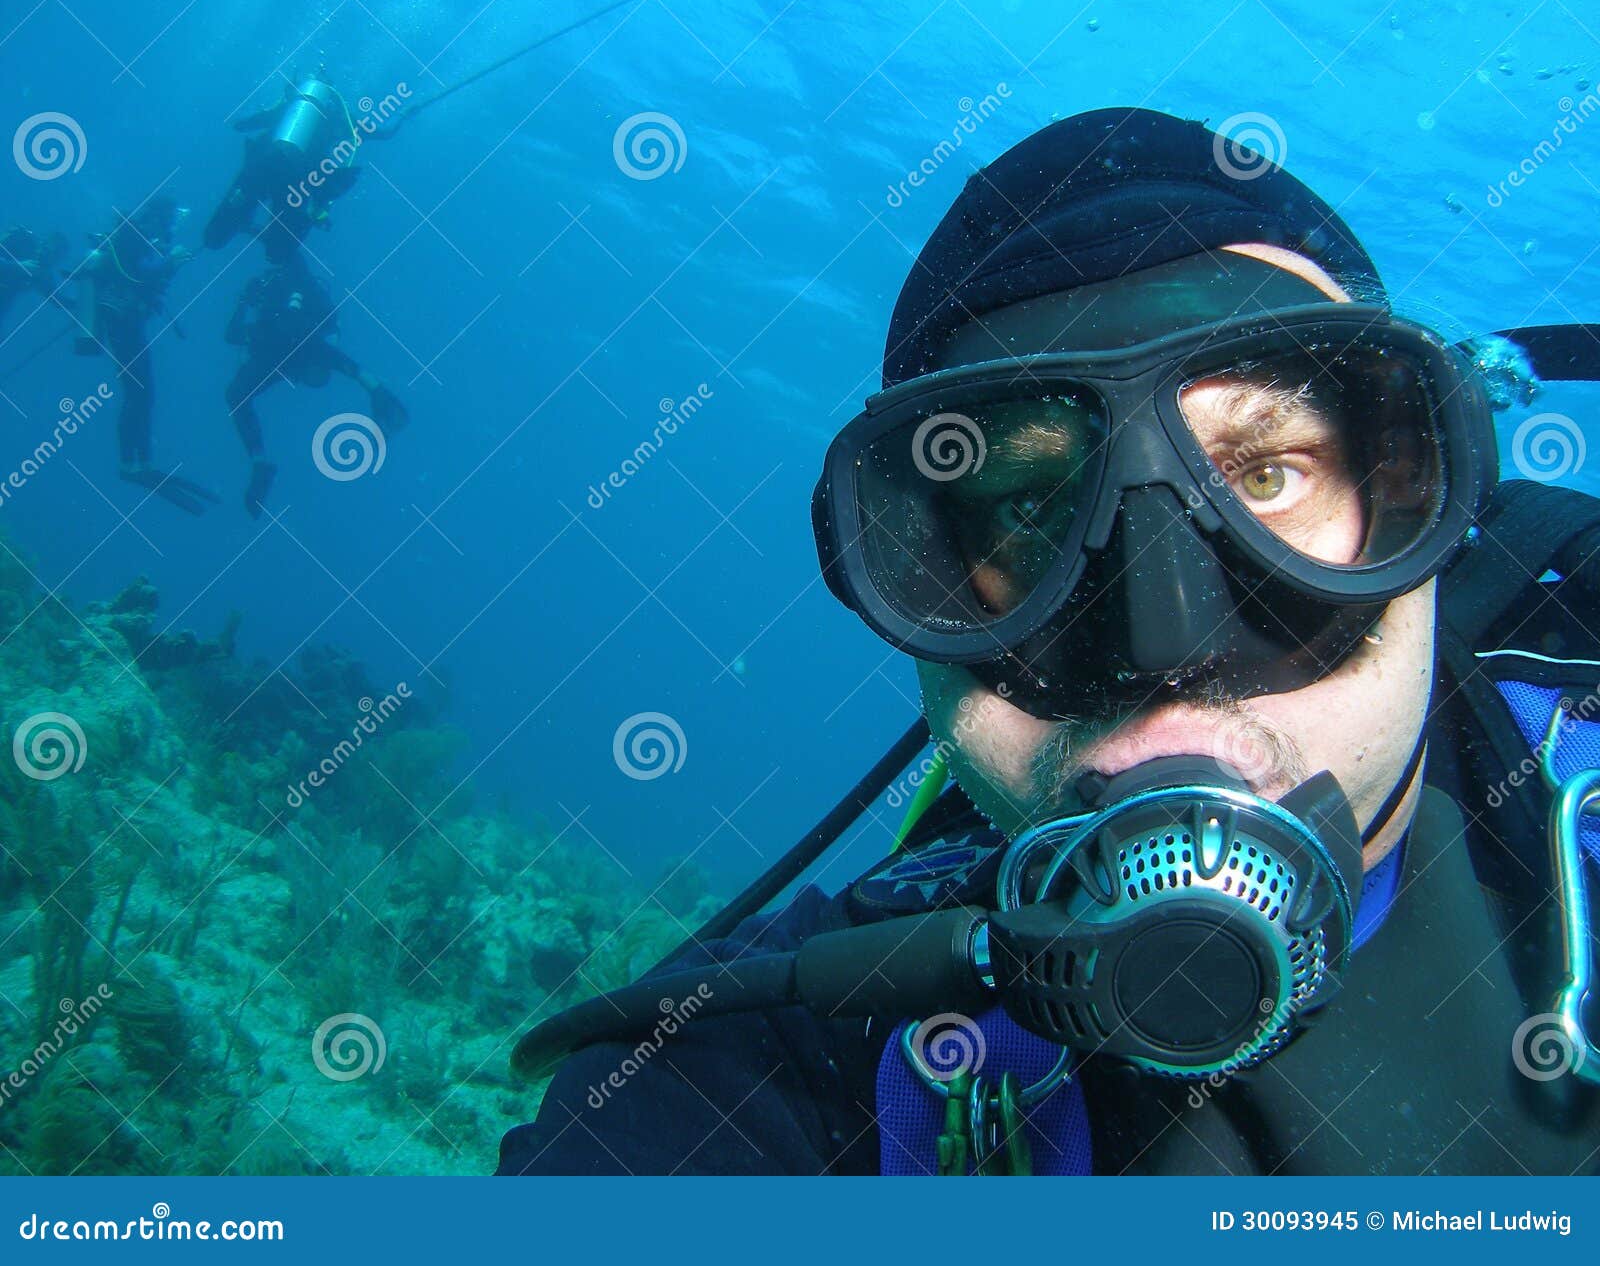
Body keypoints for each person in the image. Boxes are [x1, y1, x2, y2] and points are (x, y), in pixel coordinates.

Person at [497, 107, 1600, 1176]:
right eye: (1029, 511)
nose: (1165, 647)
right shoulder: (781, 1068)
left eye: (1268, 475)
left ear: (1424, 507)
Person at [224, 252, 408, 518]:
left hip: (277, 346)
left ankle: (260, 463)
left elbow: (233, 335)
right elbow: (353, 369)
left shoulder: (303, 340)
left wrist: (244, 302)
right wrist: (379, 396)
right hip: (281, 345)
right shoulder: (310, 345)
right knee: (237, 394)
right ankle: (260, 464)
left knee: (236, 395)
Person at [74, 197, 218, 515]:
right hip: (122, 323)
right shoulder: (135, 235)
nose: (173, 226)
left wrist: (168, 262)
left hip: (129, 322)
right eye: (172, 219)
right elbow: (136, 276)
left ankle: (142, 462)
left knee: (143, 393)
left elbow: (146, 280)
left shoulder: (146, 239)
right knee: (137, 392)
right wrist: (170, 262)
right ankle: (130, 465)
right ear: (161, 216)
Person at [204, 69, 362, 263]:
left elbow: (242, 125)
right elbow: (379, 134)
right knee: (280, 252)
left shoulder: (289, 108)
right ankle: (272, 243)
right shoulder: (337, 118)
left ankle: (224, 230)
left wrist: (275, 108)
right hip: (297, 179)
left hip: (264, 165)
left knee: (215, 235)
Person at [0, 226, 66, 328]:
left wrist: (80, 303)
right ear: (43, 243)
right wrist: (18, 266)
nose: (47, 259)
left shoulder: (42, 272)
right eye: (49, 251)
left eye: (55, 259)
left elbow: (56, 299)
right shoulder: (20, 241)